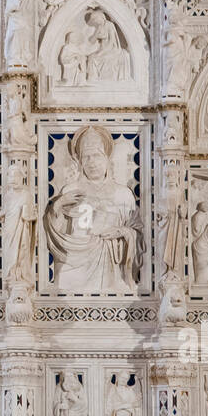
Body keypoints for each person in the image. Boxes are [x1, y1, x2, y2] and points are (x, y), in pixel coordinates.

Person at [44, 125, 140, 293]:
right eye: (86, 157)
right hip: (73, 269)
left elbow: (138, 232)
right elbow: (55, 234)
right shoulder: (69, 191)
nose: (91, 162)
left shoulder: (123, 194)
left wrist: (123, 232)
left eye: (96, 155)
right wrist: (58, 205)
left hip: (111, 268)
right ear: (79, 161)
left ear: (107, 158)